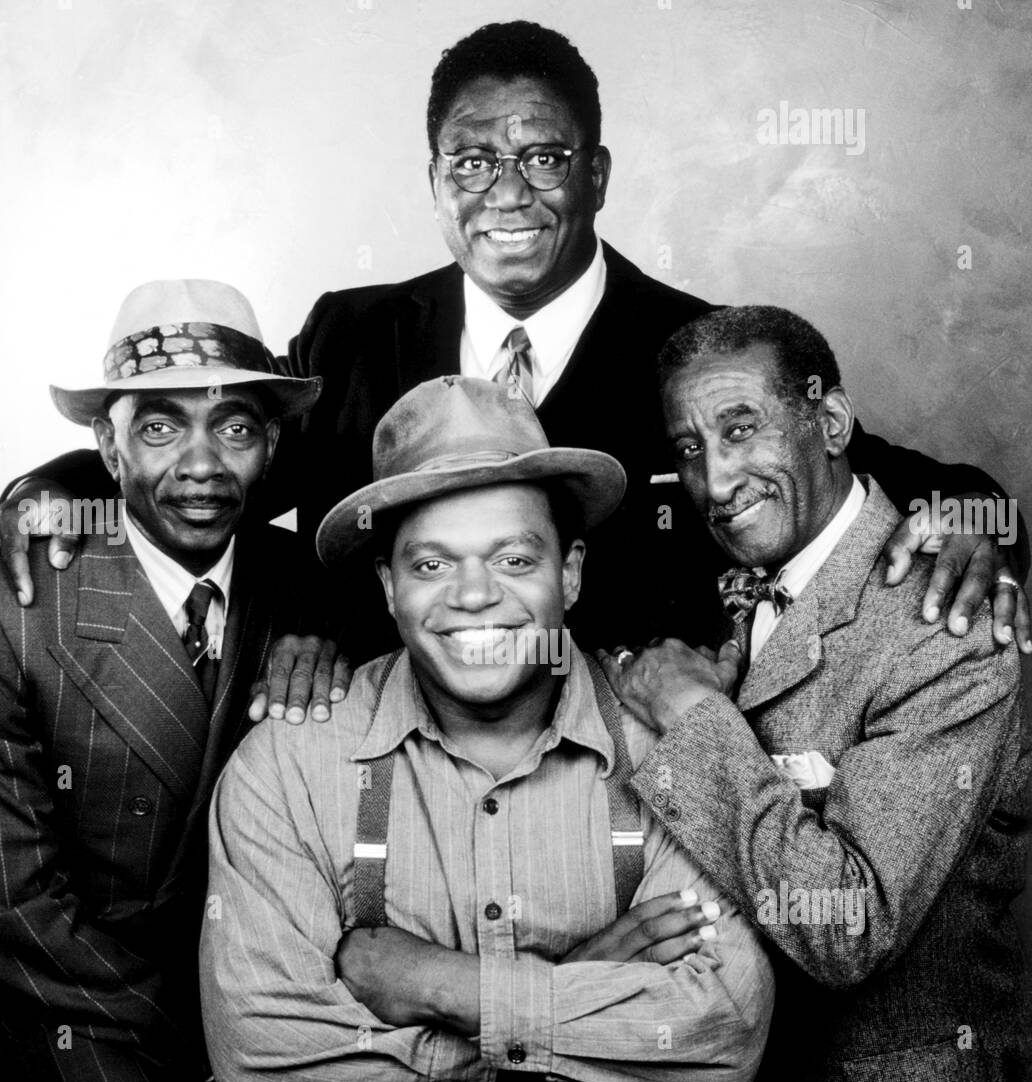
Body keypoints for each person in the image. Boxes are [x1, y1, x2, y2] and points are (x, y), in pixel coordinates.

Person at [1, 20, 1027, 717]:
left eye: (542, 156)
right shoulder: (352, 334)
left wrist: (975, 517)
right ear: (434, 181)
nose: (506, 192)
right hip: (388, 763)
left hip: (631, 779)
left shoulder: (695, 351)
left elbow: (852, 469)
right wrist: (52, 488)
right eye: (472, 160)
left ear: (598, 174)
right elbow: (211, 462)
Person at [200, 375, 774, 1082]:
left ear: (571, 573)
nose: (474, 597)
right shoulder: (291, 761)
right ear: (387, 586)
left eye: (513, 559)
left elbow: (721, 1041)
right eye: (432, 566)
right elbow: (261, 1063)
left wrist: (431, 984)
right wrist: (576, 985)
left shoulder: (669, 747)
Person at [602, 305, 1030, 1082]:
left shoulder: (945, 627)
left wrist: (695, 718)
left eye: (741, 429)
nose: (714, 481)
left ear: (831, 423)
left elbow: (848, 925)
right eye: (689, 448)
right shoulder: (730, 591)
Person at [0, 279, 322, 1082]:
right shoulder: (23, 598)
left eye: (235, 426)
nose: (201, 464)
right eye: (158, 427)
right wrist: (195, 1029)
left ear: (272, 445)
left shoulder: (305, 585)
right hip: (70, 994)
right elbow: (18, 903)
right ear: (106, 447)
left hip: (249, 985)